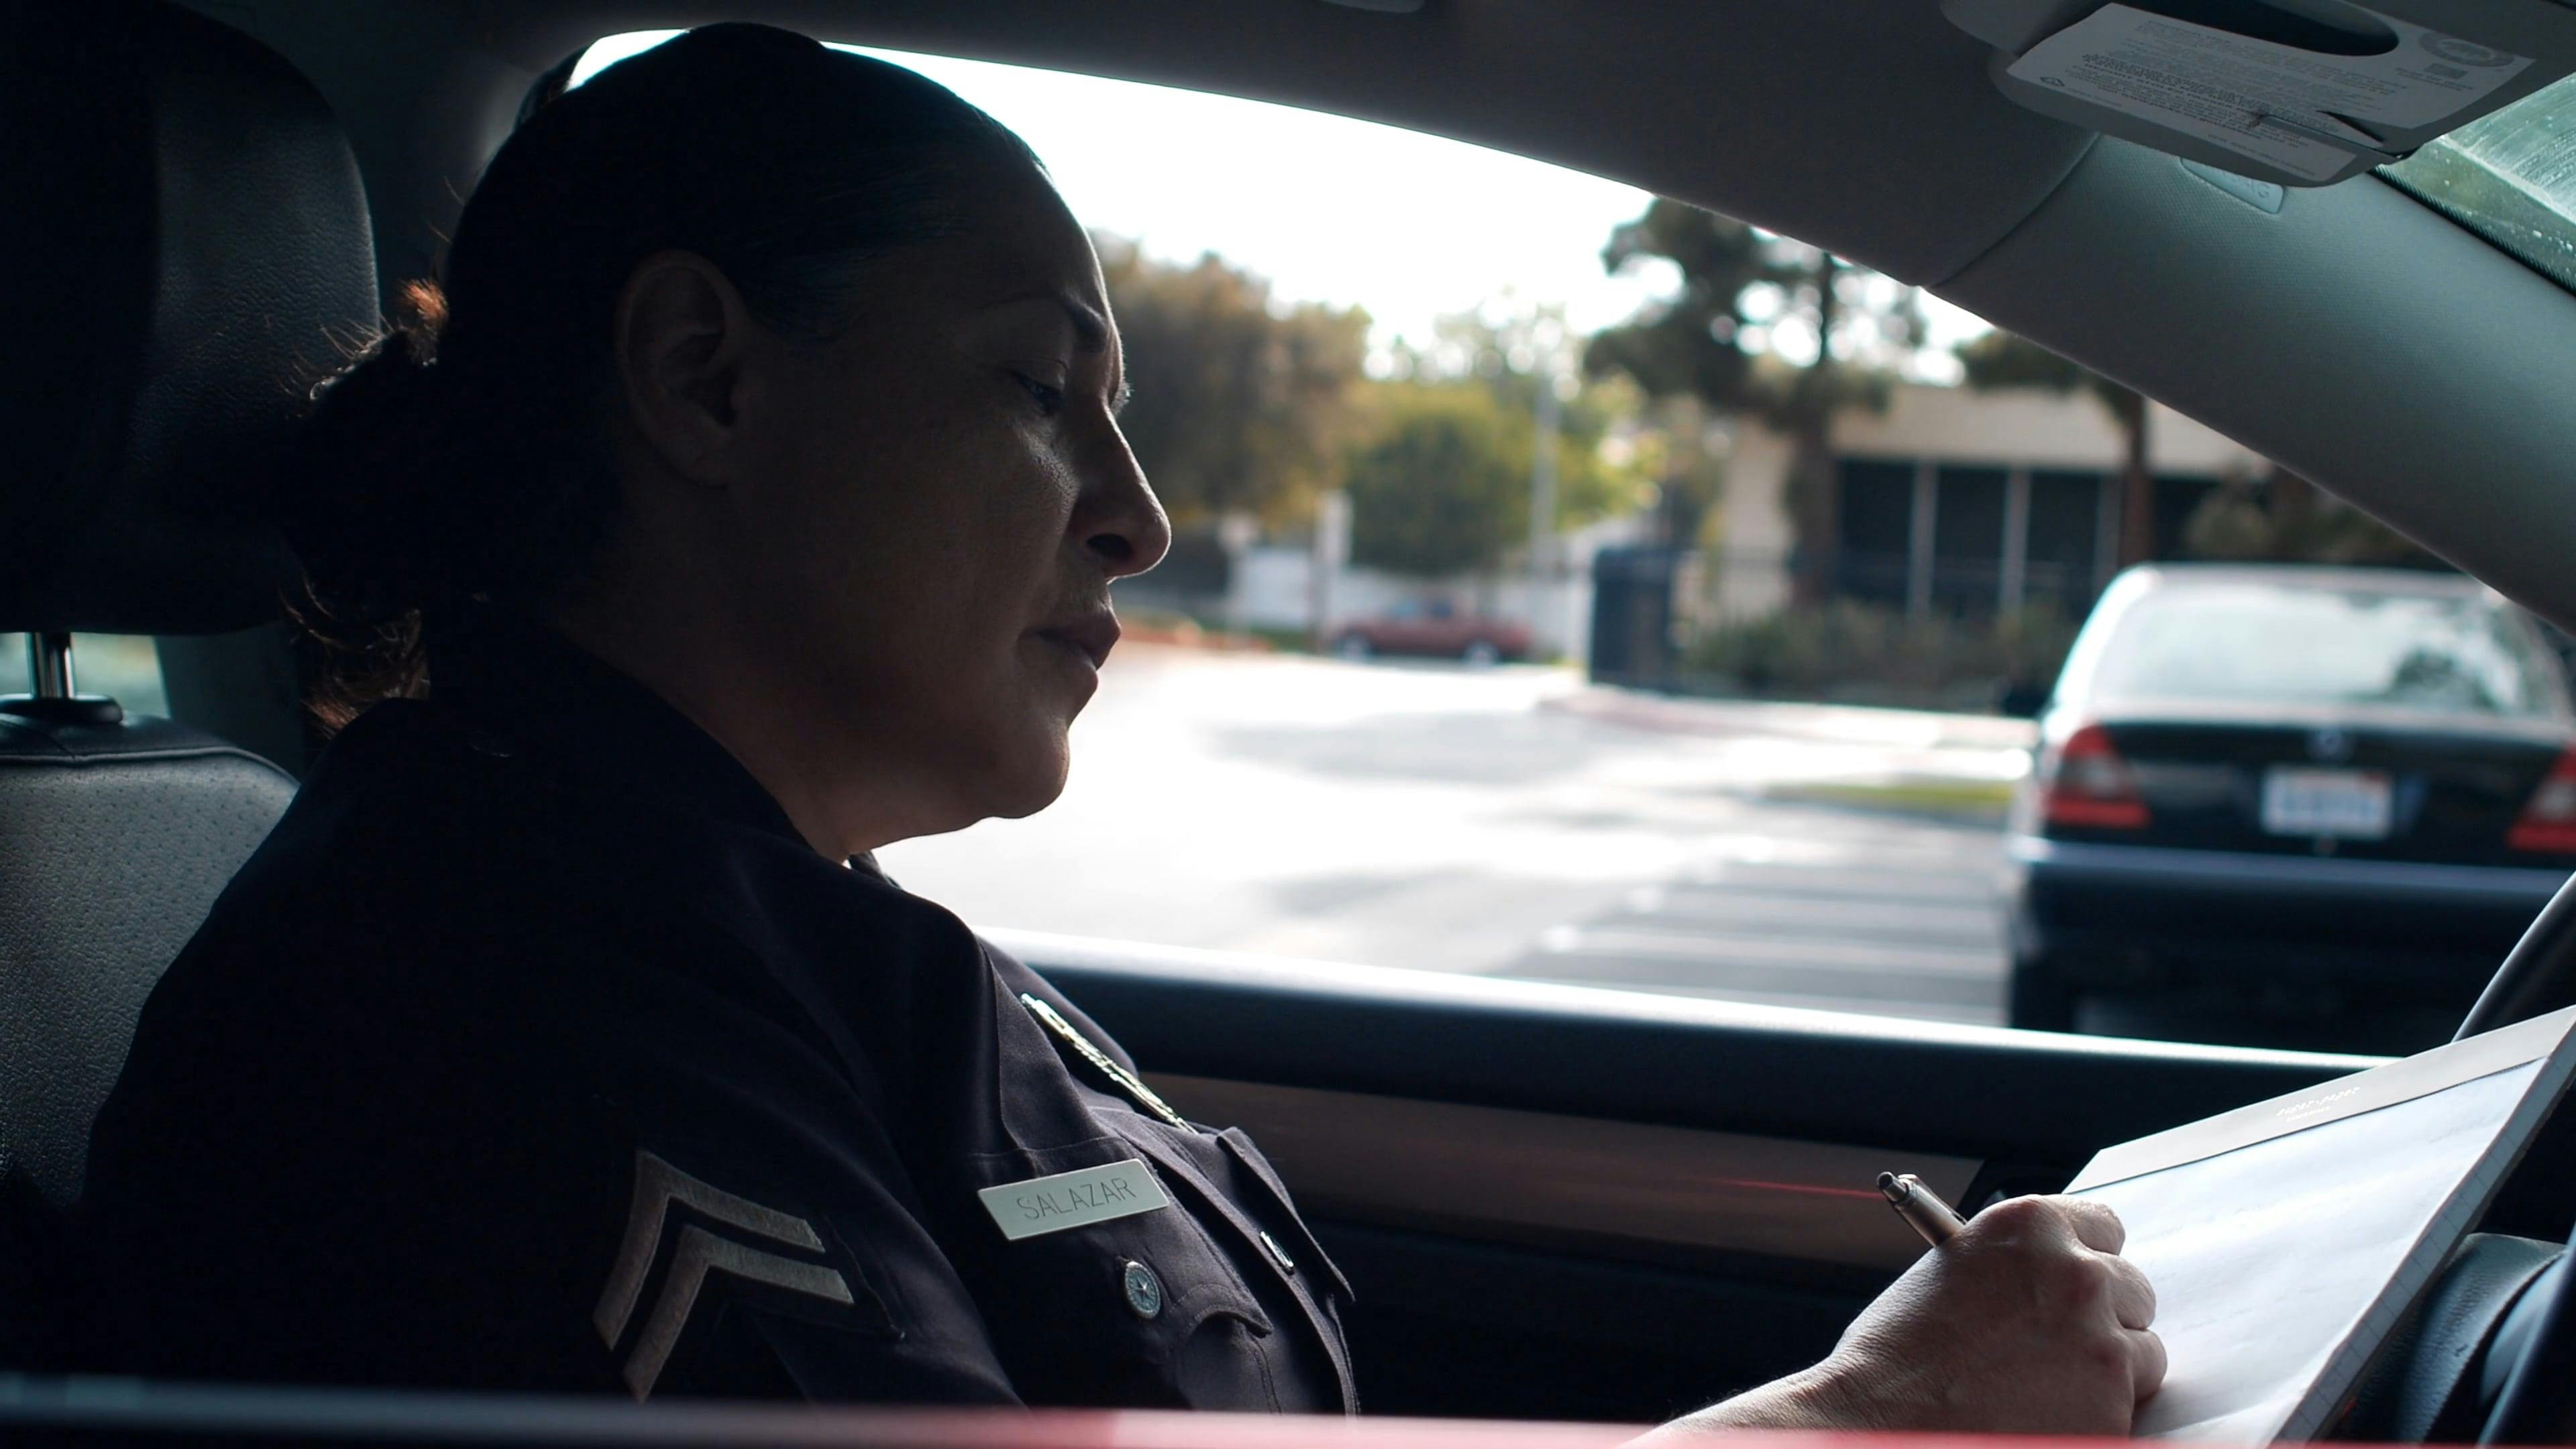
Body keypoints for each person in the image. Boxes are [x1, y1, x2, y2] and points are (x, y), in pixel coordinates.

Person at [78, 23, 2163, 1430]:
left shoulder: (765, 920)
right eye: (1037, 390)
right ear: (708, 378)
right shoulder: (493, 1007)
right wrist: (1868, 1416)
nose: (1139, 518)